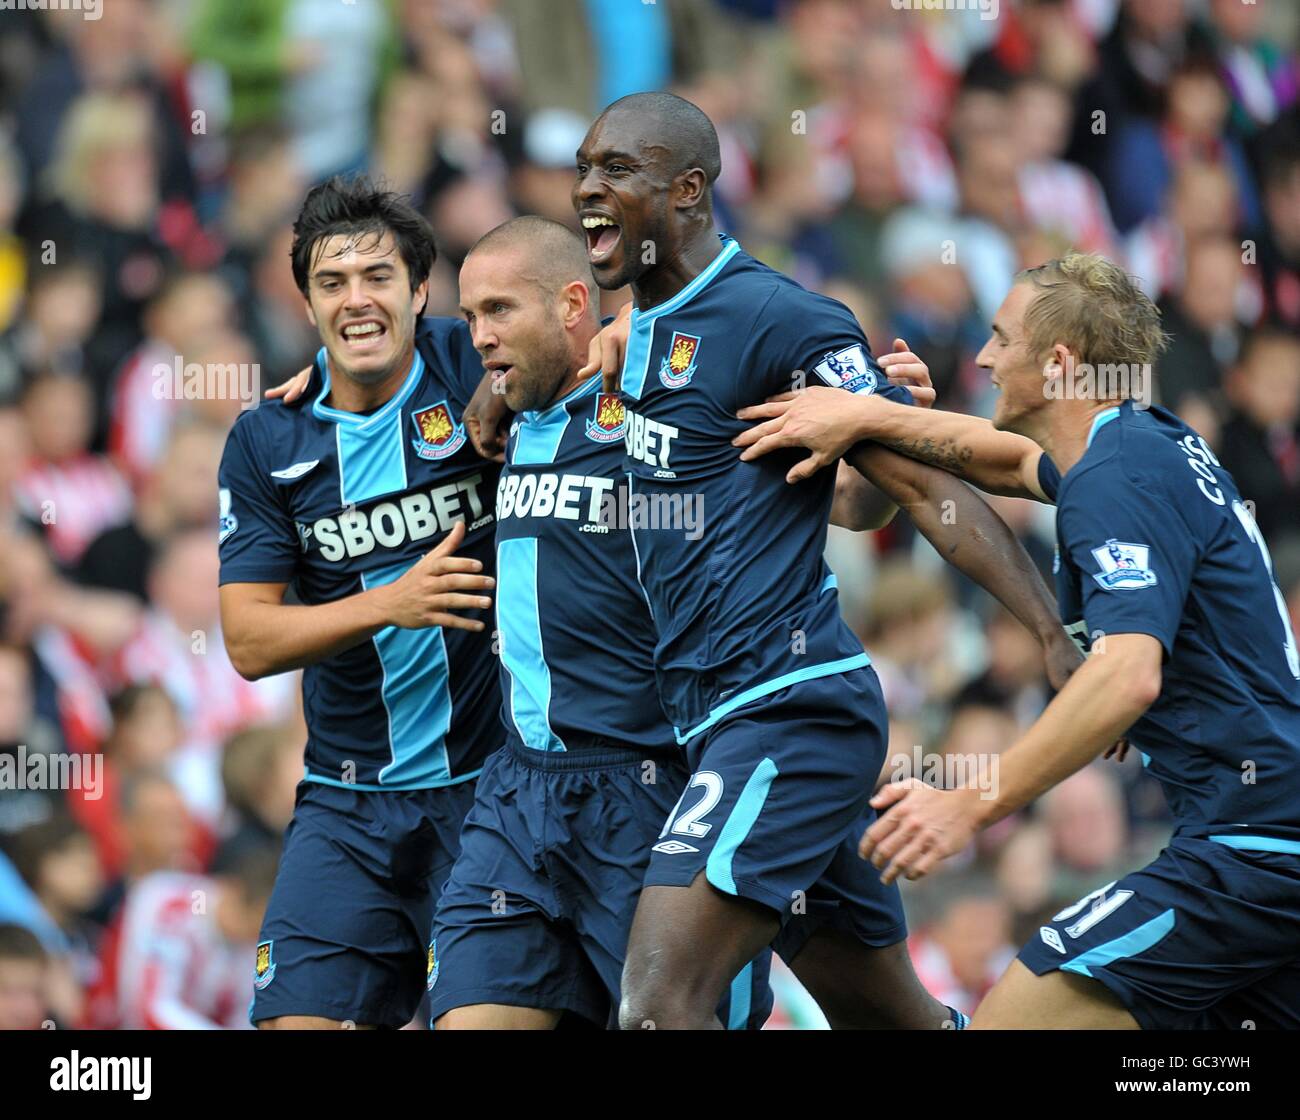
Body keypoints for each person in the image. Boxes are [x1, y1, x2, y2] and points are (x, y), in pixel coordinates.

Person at [574, 92, 1082, 1030]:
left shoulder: (780, 317)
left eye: (615, 171)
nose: (588, 192)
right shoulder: (631, 335)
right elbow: (846, 498)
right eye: (582, 170)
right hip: (714, 724)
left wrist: (1050, 631)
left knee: (655, 1008)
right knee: (894, 1021)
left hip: (784, 713)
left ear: (688, 190)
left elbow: (921, 486)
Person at [735, 251, 1300, 1029]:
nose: (983, 357)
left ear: (1059, 364)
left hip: (1252, 848)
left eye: (1001, 340)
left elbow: (1128, 676)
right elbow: (999, 458)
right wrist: (868, 414)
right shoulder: (1137, 443)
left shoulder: (1115, 477)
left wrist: (969, 805)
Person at [429, 215, 767, 1029]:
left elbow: (844, 500)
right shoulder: (505, 404)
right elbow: (363, 362)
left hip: (648, 787)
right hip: (516, 792)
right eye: (470, 315)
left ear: (574, 302)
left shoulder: (664, 403)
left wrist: (878, 420)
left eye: (499, 311)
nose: (477, 336)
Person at [218, 176, 499, 1029]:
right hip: (346, 802)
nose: (357, 300)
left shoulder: (474, 361)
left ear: (421, 292)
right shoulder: (268, 440)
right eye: (332, 283)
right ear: (306, 305)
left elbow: (596, 342)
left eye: (379, 277)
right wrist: (390, 603)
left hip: (491, 792)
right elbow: (249, 641)